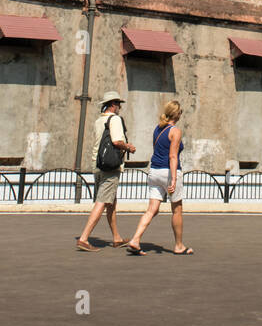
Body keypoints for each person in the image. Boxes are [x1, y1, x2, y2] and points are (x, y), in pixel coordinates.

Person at [126, 100, 193, 255]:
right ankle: (179, 245)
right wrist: (174, 179)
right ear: (177, 114)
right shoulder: (175, 131)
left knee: (152, 209)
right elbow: (172, 156)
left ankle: (135, 239)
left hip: (154, 172)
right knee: (177, 209)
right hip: (168, 172)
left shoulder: (158, 129)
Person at [76, 91, 135, 251]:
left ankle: (117, 238)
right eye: (118, 105)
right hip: (111, 166)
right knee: (102, 202)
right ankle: (84, 238)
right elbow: (117, 141)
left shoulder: (99, 120)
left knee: (111, 204)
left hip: (98, 164)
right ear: (113, 105)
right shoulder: (114, 119)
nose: (120, 108)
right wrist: (128, 147)